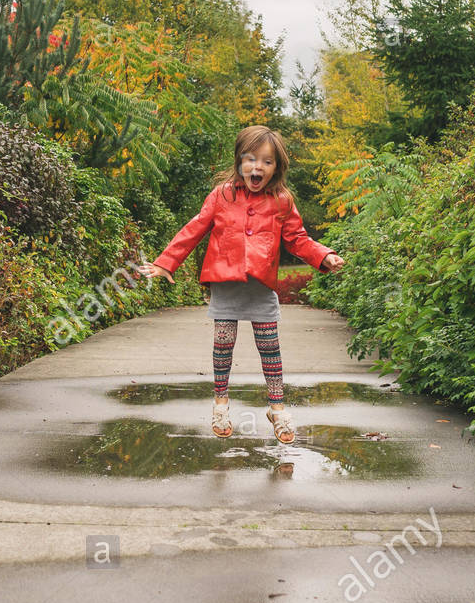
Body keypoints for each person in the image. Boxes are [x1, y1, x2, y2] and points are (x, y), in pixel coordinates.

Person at [138, 125, 345, 443]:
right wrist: (166, 262)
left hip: (261, 285)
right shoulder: (222, 195)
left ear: (277, 167)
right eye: (250, 159)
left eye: (266, 161)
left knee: (270, 349)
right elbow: (195, 228)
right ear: (238, 161)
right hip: (226, 281)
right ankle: (220, 404)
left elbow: (297, 238)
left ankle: (277, 409)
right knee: (223, 344)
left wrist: (324, 256)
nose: (257, 167)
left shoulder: (282, 201)